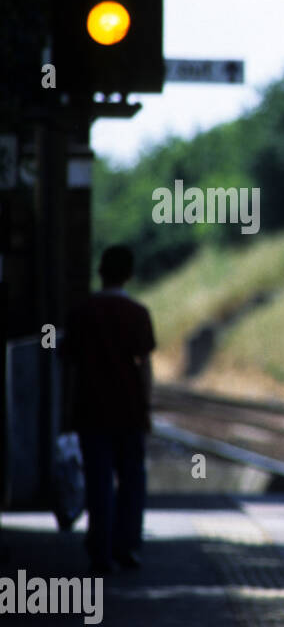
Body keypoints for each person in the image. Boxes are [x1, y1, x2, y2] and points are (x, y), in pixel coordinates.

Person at [62, 245, 156, 575]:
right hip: (129, 410)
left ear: (100, 272)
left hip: (91, 410)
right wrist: (147, 406)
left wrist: (67, 411)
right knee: (132, 481)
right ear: (129, 274)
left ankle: (99, 551)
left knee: (98, 482)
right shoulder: (138, 313)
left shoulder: (81, 312)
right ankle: (126, 546)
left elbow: (70, 367)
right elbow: (144, 366)